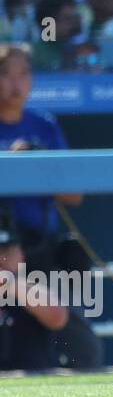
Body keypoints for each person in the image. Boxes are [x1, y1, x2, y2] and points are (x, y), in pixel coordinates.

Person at [0, 43, 82, 268]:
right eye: (5, 73)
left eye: (24, 74)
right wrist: (9, 162)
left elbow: (75, 194)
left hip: (39, 245)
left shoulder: (45, 125)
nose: (16, 84)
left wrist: (38, 164)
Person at [0, 222, 69, 371]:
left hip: (32, 381)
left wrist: (10, 282)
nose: (1, 259)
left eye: (7, 251)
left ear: (21, 255)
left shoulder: (32, 286)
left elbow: (58, 317)